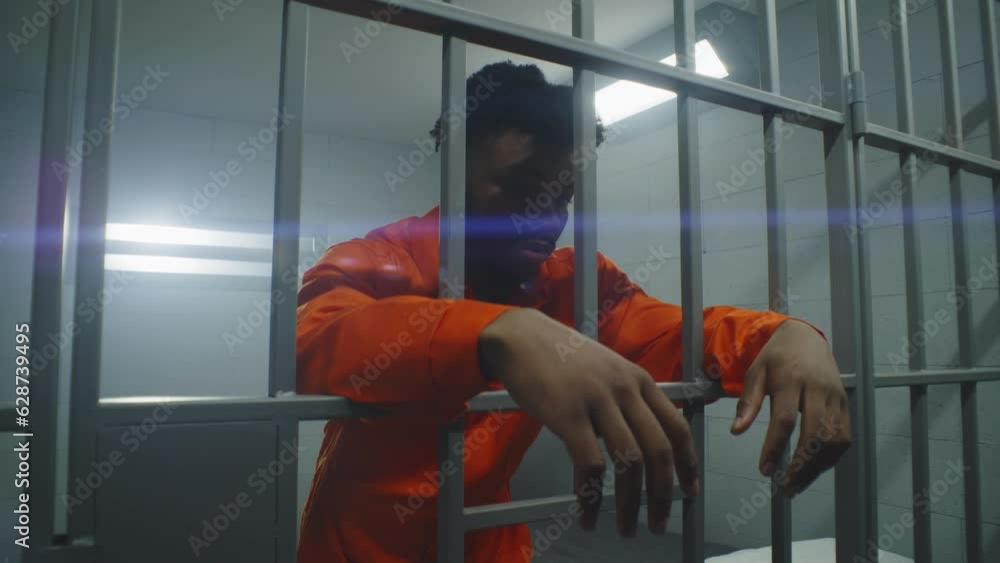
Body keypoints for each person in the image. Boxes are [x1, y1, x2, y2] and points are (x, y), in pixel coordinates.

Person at [295, 62, 851, 563]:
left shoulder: (575, 284)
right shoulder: (379, 260)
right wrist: (492, 331)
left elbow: (672, 335)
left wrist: (782, 334)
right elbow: (312, 340)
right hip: (354, 546)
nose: (545, 218)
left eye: (562, 196)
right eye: (519, 189)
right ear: (453, 172)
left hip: (488, 540)